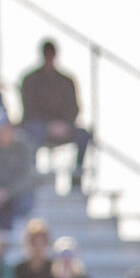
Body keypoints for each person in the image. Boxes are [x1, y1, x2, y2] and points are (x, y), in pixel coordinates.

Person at [18, 38, 88, 192]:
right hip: (38, 126)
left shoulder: (66, 81)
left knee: (84, 135)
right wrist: (49, 125)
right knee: (32, 131)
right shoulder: (30, 80)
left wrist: (64, 124)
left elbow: (74, 108)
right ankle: (30, 182)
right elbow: (28, 109)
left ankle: (76, 182)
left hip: (63, 126)